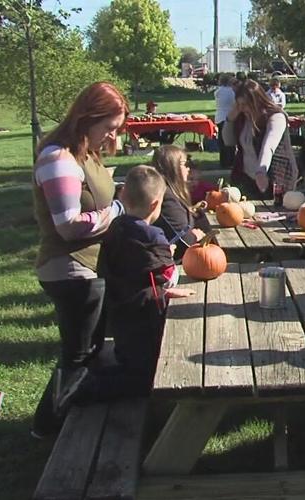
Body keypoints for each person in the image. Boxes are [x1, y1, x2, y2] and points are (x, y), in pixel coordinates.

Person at [29, 82, 129, 438]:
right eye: (109, 128)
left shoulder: (84, 153)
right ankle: (48, 424)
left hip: (88, 268)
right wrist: (117, 209)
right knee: (77, 355)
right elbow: (69, 226)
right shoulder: (58, 160)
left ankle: (67, 420)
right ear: (88, 118)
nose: (111, 136)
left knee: (87, 352)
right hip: (70, 270)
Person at [55, 166, 194, 412]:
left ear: (122, 197)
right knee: (145, 377)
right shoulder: (152, 236)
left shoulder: (114, 229)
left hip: (121, 313)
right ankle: (84, 386)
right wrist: (168, 259)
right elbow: (166, 273)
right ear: (155, 204)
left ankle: (95, 378)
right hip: (145, 317)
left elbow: (137, 271)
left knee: (131, 362)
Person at [222, 79, 299, 198]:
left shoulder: (276, 117)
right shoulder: (242, 118)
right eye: (239, 104)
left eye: (245, 104)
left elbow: (268, 146)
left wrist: (261, 172)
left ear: (257, 101)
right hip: (247, 177)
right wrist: (229, 119)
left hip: (276, 176)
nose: (242, 108)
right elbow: (228, 141)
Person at [150, 145, 209, 260]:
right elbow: (183, 240)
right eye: (184, 164)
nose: (188, 169)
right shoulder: (166, 198)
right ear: (173, 167)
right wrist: (194, 236)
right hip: (177, 260)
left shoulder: (169, 192)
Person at [214, 74, 237, 170]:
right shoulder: (232, 91)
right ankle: (230, 161)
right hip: (229, 116)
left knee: (222, 140)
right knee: (229, 140)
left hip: (219, 116)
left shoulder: (218, 91)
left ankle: (223, 161)